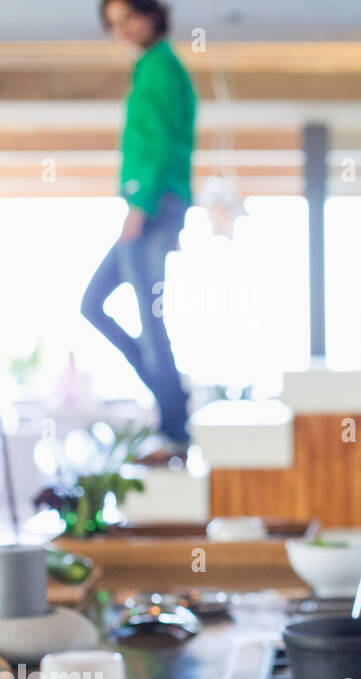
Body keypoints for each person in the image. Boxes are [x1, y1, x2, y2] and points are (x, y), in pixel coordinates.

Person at [82, 0, 195, 465]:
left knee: (151, 322)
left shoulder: (160, 70)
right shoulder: (152, 70)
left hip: (152, 205)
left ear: (150, 16)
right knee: (93, 305)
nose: (121, 31)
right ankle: (171, 399)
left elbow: (158, 142)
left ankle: (174, 431)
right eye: (113, 26)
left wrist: (140, 203)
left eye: (127, 19)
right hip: (154, 205)